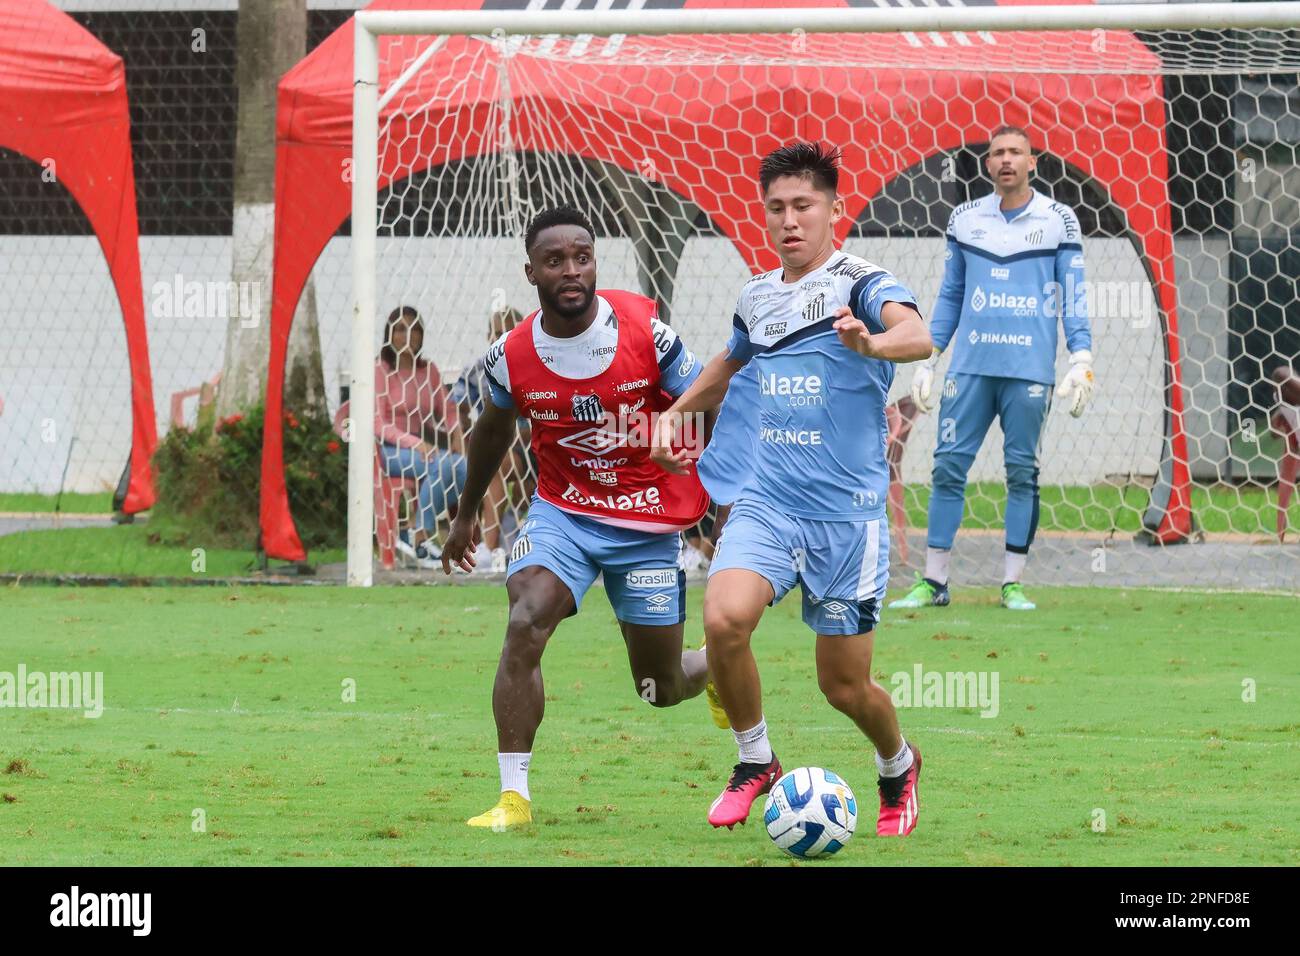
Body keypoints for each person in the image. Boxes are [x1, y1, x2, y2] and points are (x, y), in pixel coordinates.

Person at [652, 142, 933, 835]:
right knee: (722, 620)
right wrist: (677, 409)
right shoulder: (757, 295)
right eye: (776, 207)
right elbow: (732, 356)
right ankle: (755, 761)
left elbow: (919, 336)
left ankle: (897, 764)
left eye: (803, 205)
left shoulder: (860, 282)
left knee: (842, 687)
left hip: (846, 521)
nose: (789, 220)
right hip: (768, 504)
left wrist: (870, 346)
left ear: (834, 209)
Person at [440, 205, 723, 830]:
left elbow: (711, 397)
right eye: (555, 260)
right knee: (526, 615)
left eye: (582, 256)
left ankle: (715, 670)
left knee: (661, 686)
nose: (572, 270)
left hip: (647, 519)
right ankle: (514, 799)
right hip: (563, 513)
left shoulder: (648, 332)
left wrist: (718, 497)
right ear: (531, 272)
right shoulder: (510, 356)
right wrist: (464, 518)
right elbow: (490, 434)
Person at [891, 125, 1095, 612]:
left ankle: (1013, 583)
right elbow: (952, 294)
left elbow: (1075, 293)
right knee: (946, 468)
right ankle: (934, 581)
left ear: (1032, 164)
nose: (1006, 160)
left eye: (1016, 153)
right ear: (987, 165)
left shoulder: (1059, 220)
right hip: (972, 369)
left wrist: (1082, 357)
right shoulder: (964, 219)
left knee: (1022, 472)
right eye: (997, 153)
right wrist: (929, 358)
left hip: (1029, 370)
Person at [375, 305, 467, 568]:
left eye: (414, 329)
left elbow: (447, 410)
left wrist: (457, 435)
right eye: (401, 328)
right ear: (390, 334)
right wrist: (416, 444)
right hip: (388, 450)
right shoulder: (380, 370)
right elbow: (378, 423)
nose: (408, 335)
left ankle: (415, 535)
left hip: (423, 451)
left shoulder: (429, 371)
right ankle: (420, 538)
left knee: (463, 467)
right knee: (441, 463)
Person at [451, 305, 530, 572]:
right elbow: (457, 409)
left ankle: (499, 536)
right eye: (497, 333)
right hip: (500, 448)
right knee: (491, 459)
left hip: (534, 447)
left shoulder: (536, 367)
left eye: (509, 332)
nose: (502, 338)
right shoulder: (477, 370)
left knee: (496, 459)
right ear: (488, 336)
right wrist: (462, 438)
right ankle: (489, 547)